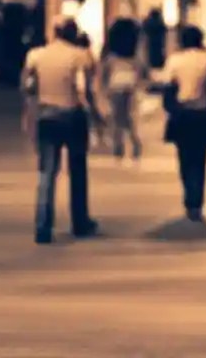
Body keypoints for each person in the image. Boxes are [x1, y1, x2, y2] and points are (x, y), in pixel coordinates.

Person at [22, 18, 100, 244]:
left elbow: (28, 87)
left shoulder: (35, 55)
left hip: (47, 116)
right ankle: (80, 221)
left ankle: (42, 226)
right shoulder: (80, 55)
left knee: (47, 172)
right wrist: (95, 114)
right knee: (78, 170)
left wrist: (29, 115)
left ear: (53, 32)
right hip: (72, 115)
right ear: (73, 32)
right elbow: (85, 89)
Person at [163, 26, 206, 221]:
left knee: (184, 158)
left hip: (183, 113)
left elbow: (168, 87)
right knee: (200, 159)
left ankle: (189, 197)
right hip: (204, 113)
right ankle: (197, 199)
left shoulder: (175, 60)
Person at [101, 20, 145, 163]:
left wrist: (103, 90)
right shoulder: (135, 59)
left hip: (115, 88)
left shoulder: (110, 58)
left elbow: (104, 75)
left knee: (116, 118)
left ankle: (118, 147)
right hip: (130, 88)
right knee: (129, 118)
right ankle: (135, 143)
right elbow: (141, 73)